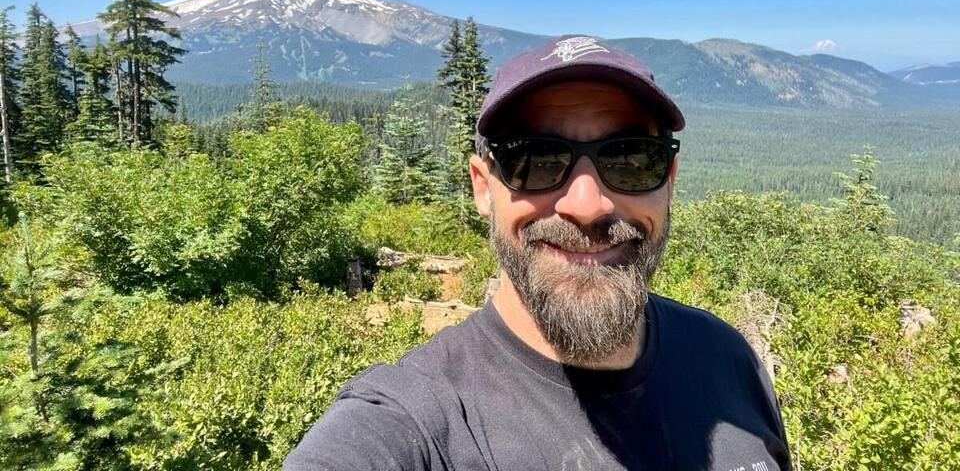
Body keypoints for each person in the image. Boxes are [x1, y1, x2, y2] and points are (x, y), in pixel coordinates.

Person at [285, 35, 792, 470]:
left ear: (670, 182)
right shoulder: (410, 425)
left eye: (632, 159)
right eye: (535, 160)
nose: (587, 205)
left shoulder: (729, 360)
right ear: (483, 187)